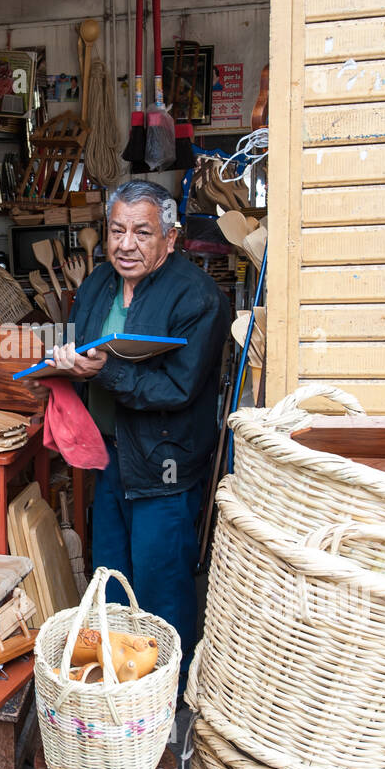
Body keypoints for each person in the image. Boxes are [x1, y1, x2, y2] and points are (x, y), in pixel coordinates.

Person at [49, 179, 230, 678]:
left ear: (170, 238)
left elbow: (179, 388)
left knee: (161, 590)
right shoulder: (96, 285)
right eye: (117, 230)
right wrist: (64, 366)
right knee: (111, 582)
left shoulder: (198, 297)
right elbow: (84, 349)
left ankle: (168, 703)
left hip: (163, 467)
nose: (125, 244)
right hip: (108, 460)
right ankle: (117, 690)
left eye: (142, 232)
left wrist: (103, 369)